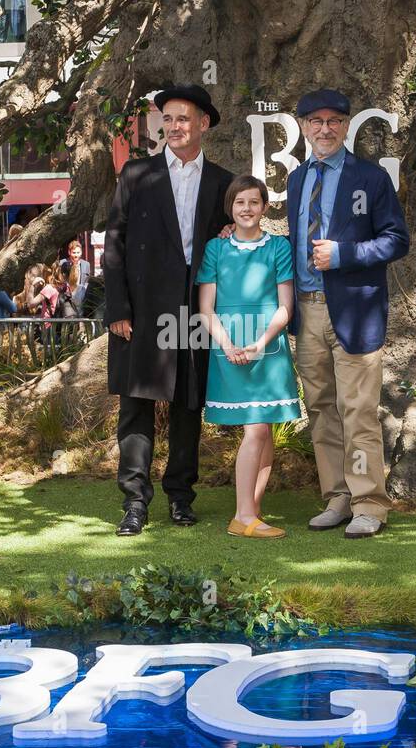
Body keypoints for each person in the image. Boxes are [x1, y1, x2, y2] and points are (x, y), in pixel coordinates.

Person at [104, 83, 234, 537]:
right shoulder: (136, 175)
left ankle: (181, 496)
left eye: (184, 119)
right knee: (136, 403)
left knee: (188, 403)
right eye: (168, 119)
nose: (174, 126)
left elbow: (232, 247)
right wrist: (117, 307)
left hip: (195, 308)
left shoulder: (223, 183)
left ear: (203, 125)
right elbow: (114, 243)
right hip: (141, 309)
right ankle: (134, 502)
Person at [287, 88, 409, 539]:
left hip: (356, 311)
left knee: (357, 410)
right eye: (315, 121)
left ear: (346, 126)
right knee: (320, 410)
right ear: (303, 127)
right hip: (307, 309)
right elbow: (298, 242)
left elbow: (397, 240)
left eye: (334, 121)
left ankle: (369, 504)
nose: (324, 129)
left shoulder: (371, 178)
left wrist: (342, 254)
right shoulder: (297, 180)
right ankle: (337, 496)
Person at [196, 175, 300, 538]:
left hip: (267, 348)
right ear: (231, 208)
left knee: (265, 430)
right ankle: (243, 516)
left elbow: (286, 305)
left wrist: (262, 341)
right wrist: (226, 344)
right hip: (228, 347)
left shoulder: (279, 248)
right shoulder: (216, 249)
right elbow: (206, 308)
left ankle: (251, 511)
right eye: (240, 202)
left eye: (254, 202)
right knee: (255, 428)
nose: (247, 209)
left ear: (265, 207)